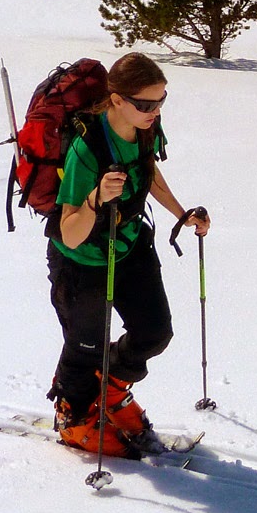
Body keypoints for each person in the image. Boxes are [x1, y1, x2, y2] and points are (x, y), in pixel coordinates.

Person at [46, 51, 209, 456]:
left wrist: (181, 213)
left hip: (131, 245)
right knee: (86, 344)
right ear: (117, 99)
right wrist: (96, 197)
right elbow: (69, 234)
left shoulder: (145, 127)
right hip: (82, 265)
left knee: (155, 332)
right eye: (146, 104)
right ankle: (73, 415)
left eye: (161, 101)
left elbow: (147, 170)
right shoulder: (86, 150)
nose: (154, 111)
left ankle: (112, 390)